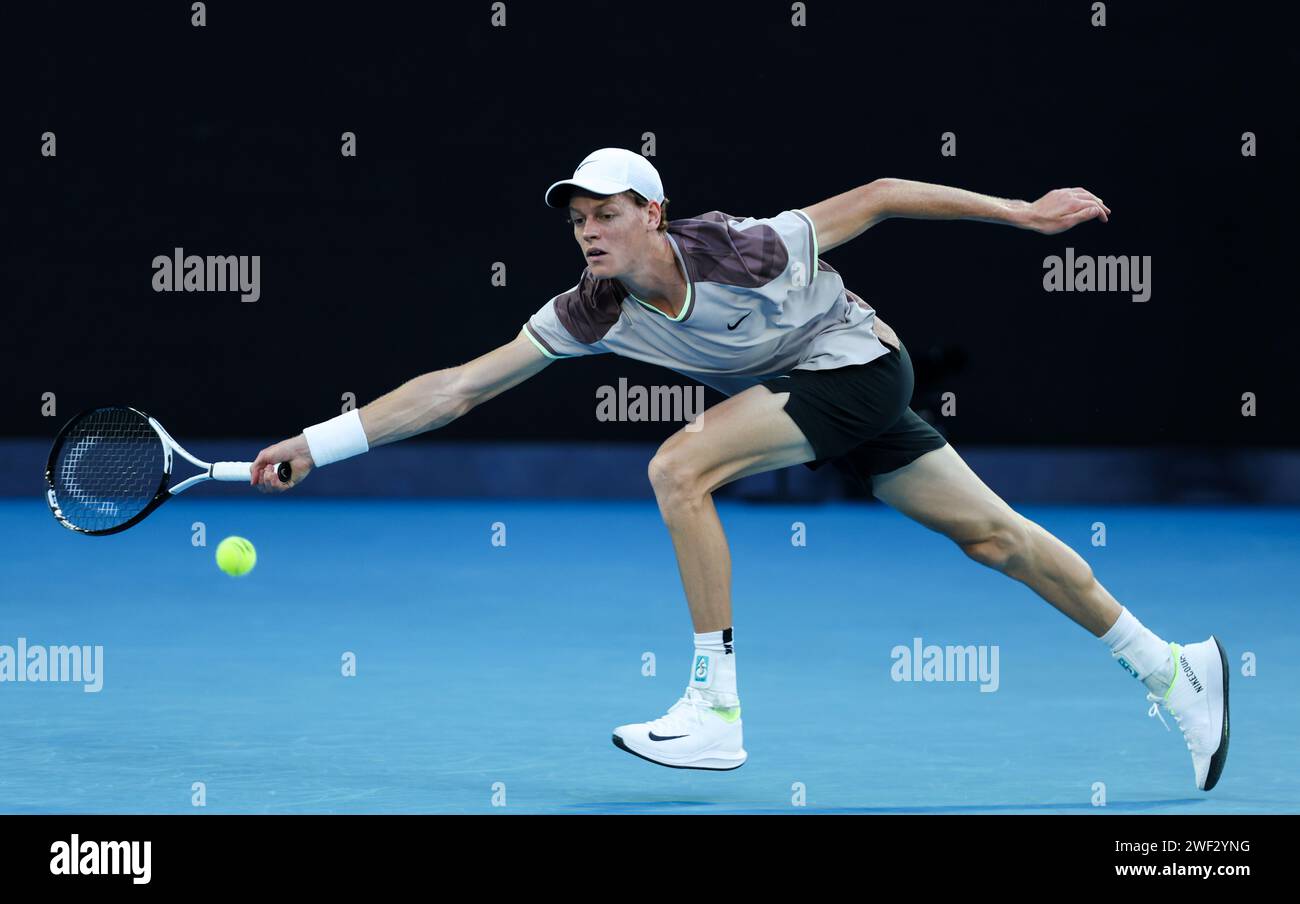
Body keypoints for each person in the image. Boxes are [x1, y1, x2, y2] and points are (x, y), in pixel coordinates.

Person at [250, 148, 1229, 790]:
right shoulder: (591, 309)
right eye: (577, 219)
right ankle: (1172, 666)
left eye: (608, 212)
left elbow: (884, 195)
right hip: (821, 395)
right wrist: (317, 441)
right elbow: (458, 387)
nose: (590, 231)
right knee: (995, 537)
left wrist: (1023, 213)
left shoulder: (737, 249)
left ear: (653, 213)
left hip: (859, 367)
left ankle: (714, 706)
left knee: (679, 465)